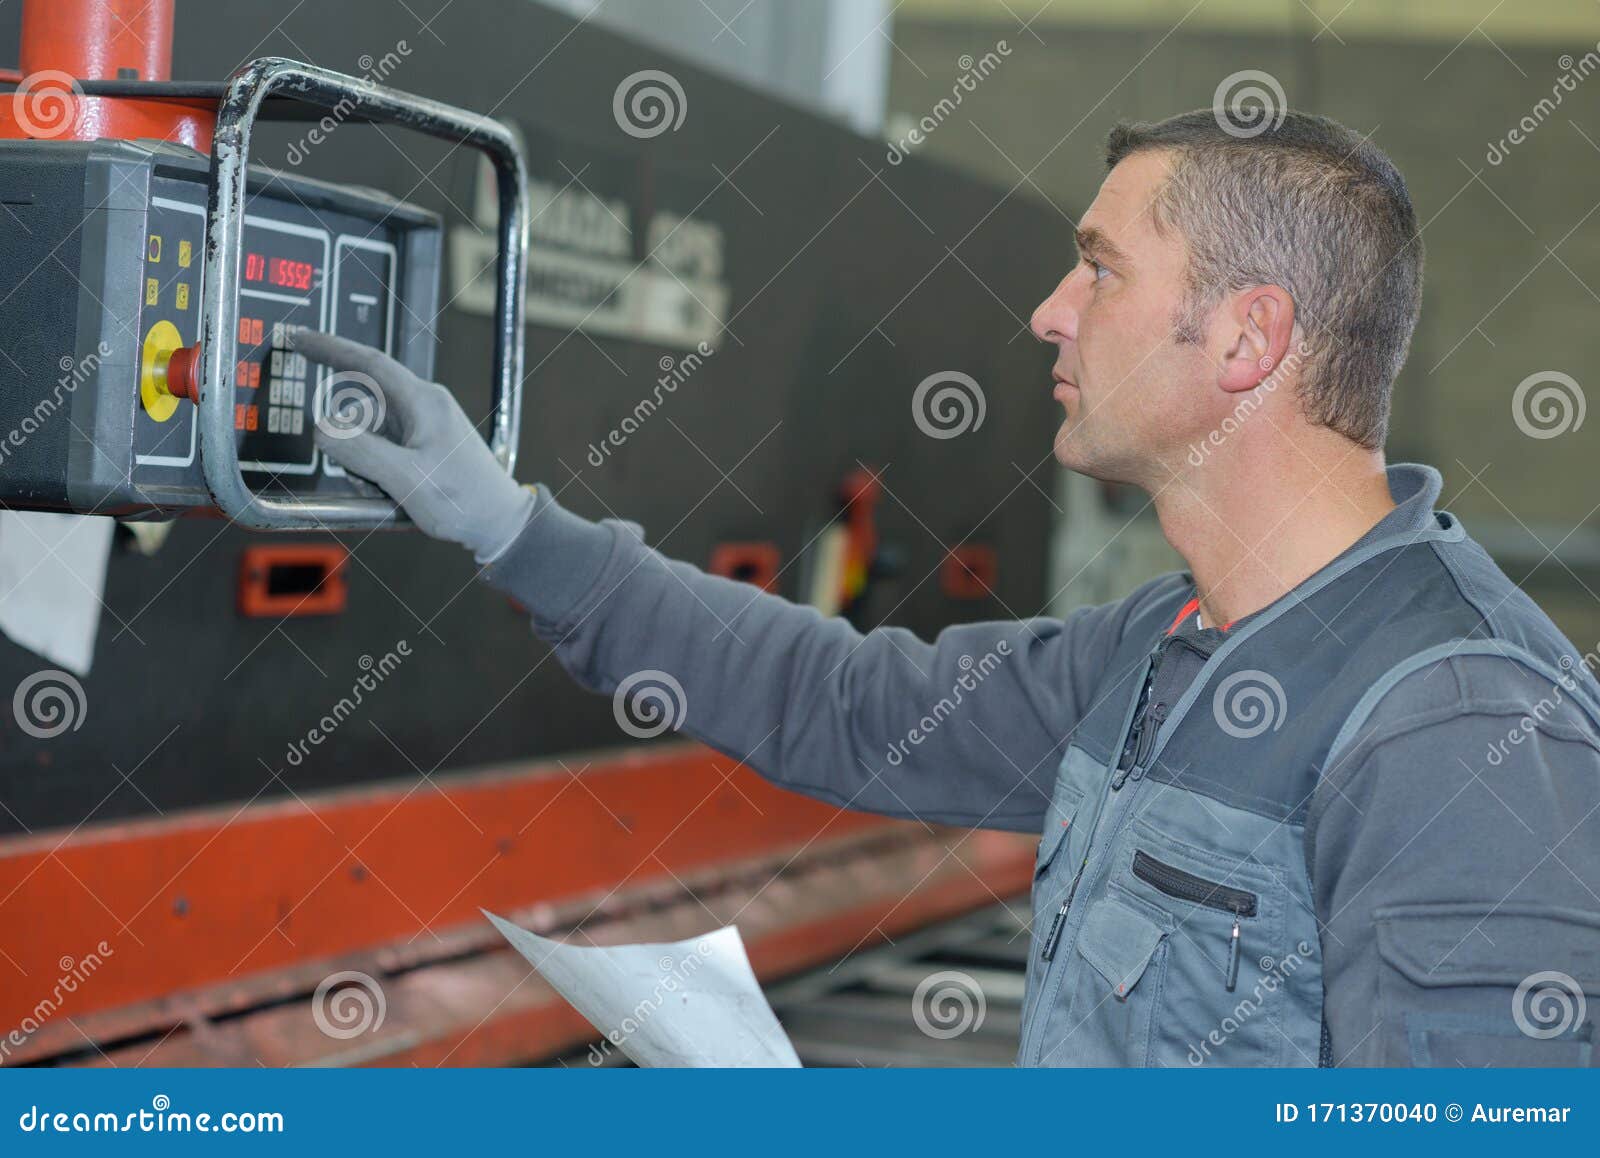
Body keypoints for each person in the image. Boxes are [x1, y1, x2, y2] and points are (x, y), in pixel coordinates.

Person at [294, 108, 1600, 1067]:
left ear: (1248, 337)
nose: (1047, 311)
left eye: (1098, 268)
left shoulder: (1463, 722)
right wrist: (514, 527)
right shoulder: (1154, 649)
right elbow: (848, 702)